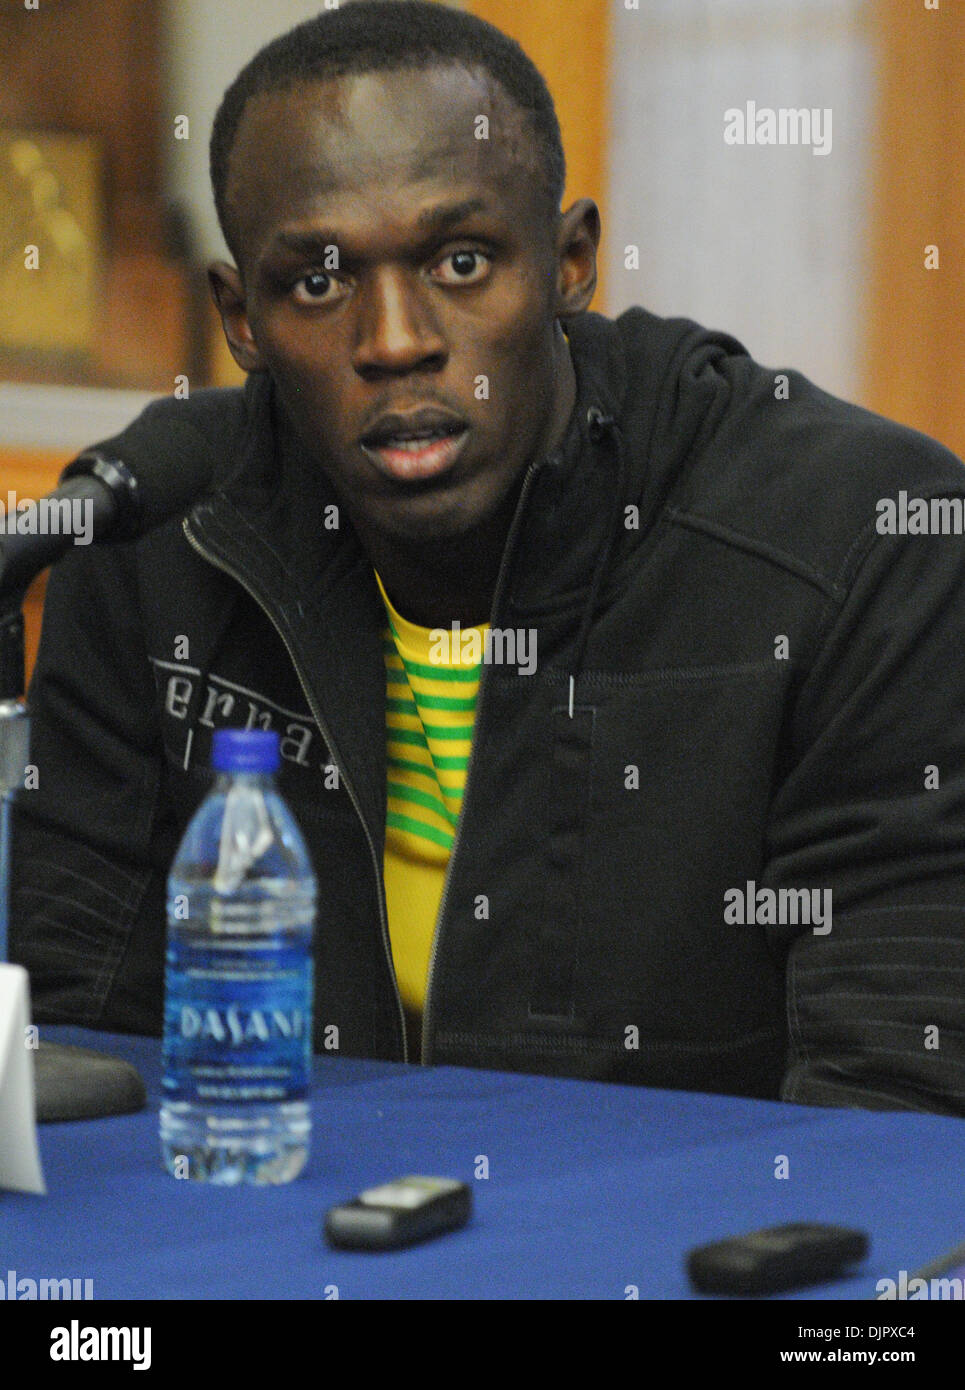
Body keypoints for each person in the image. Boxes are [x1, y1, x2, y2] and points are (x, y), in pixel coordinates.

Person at [11, 0, 965, 1113]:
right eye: (317, 283)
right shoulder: (150, 542)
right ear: (240, 319)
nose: (395, 340)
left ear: (568, 264)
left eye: (461, 261)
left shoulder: (860, 544)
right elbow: (76, 1067)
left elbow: (899, 1120)